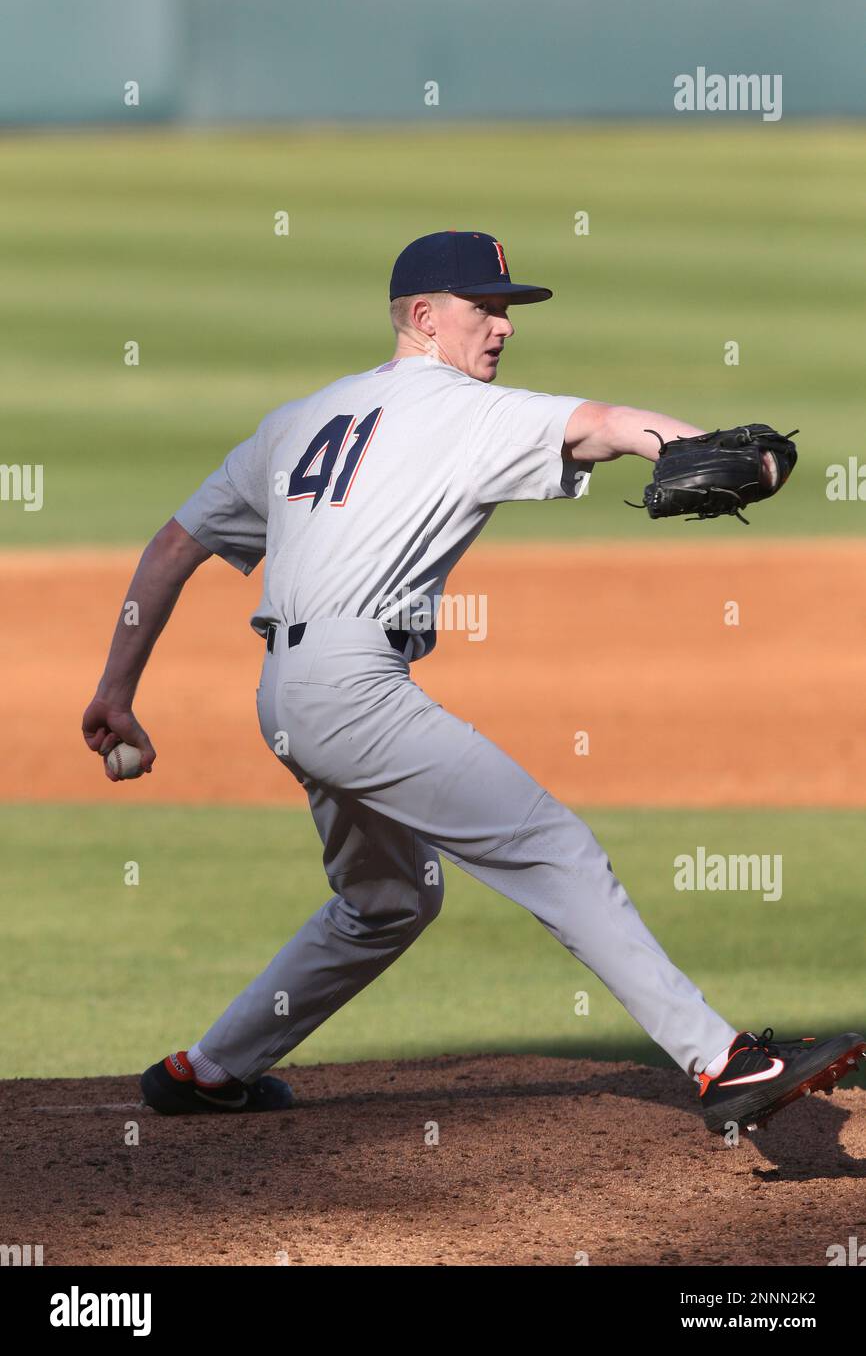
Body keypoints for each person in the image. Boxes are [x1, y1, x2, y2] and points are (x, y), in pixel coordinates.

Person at [82, 231, 863, 1134]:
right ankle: (721, 1064)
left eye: (508, 311)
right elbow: (605, 424)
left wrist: (115, 691)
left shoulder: (302, 419)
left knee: (387, 901)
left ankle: (208, 1071)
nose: (502, 327)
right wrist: (732, 450)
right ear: (423, 318)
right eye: (483, 308)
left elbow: (173, 547)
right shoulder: (460, 410)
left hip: (290, 695)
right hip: (356, 689)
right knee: (553, 849)